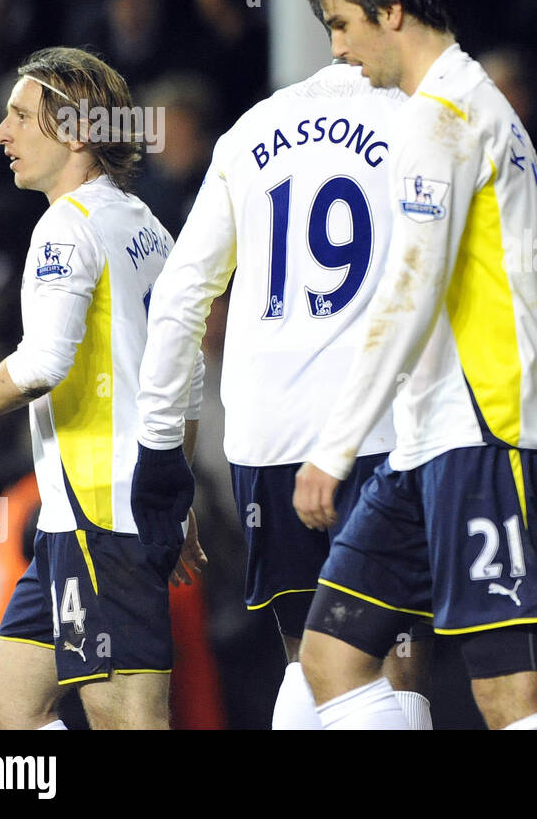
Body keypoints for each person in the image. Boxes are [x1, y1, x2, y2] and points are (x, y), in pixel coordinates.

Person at [290, 0, 537, 730]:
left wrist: (335, 445)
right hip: (428, 446)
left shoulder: (442, 118)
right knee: (331, 657)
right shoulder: (482, 109)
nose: (338, 50)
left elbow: (410, 292)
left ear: (391, 12)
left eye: (342, 26)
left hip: (493, 435)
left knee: (512, 699)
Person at [129, 57, 435, 729]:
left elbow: (180, 295)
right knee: (389, 656)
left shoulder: (250, 131)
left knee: (306, 661)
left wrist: (159, 453)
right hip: (380, 432)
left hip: (268, 442)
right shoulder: (422, 119)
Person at [0, 46, 204, 730]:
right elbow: (185, 375)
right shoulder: (145, 228)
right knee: (8, 701)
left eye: (19, 117)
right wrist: (172, 495)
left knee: (127, 720)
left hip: (102, 517)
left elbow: (42, 363)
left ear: (73, 132)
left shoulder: (65, 228)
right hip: (86, 519)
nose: (0, 135)